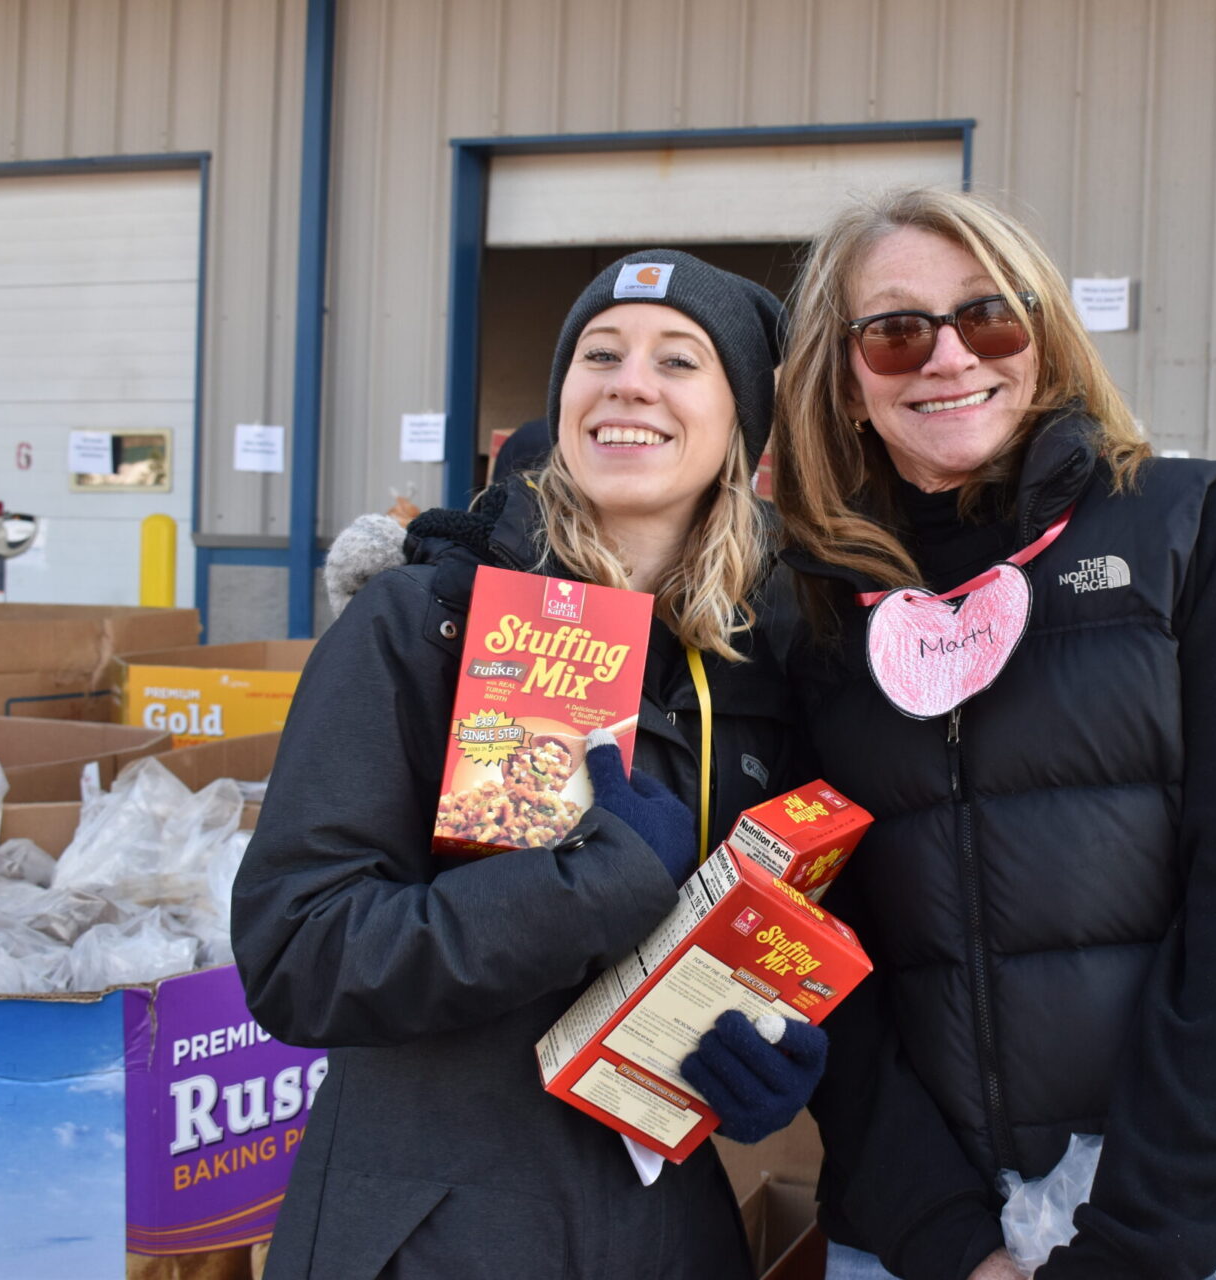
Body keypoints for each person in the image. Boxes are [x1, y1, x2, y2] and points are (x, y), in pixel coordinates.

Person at [770, 187, 1216, 1280]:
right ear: (847, 379)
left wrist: (1132, 1253)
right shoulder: (817, 610)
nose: (949, 357)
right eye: (897, 329)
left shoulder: (1191, 531)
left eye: (989, 316)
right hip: (929, 1237)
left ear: (1044, 343)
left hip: (1205, 1228)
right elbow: (834, 961)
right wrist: (955, 1242)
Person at [232, 249, 826, 1279]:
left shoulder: (754, 670)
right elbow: (300, 953)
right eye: (600, 352)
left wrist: (770, 1049)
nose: (628, 379)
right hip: (427, 1228)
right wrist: (582, 886)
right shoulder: (423, 625)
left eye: (679, 360)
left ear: (741, 430)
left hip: (660, 1230)